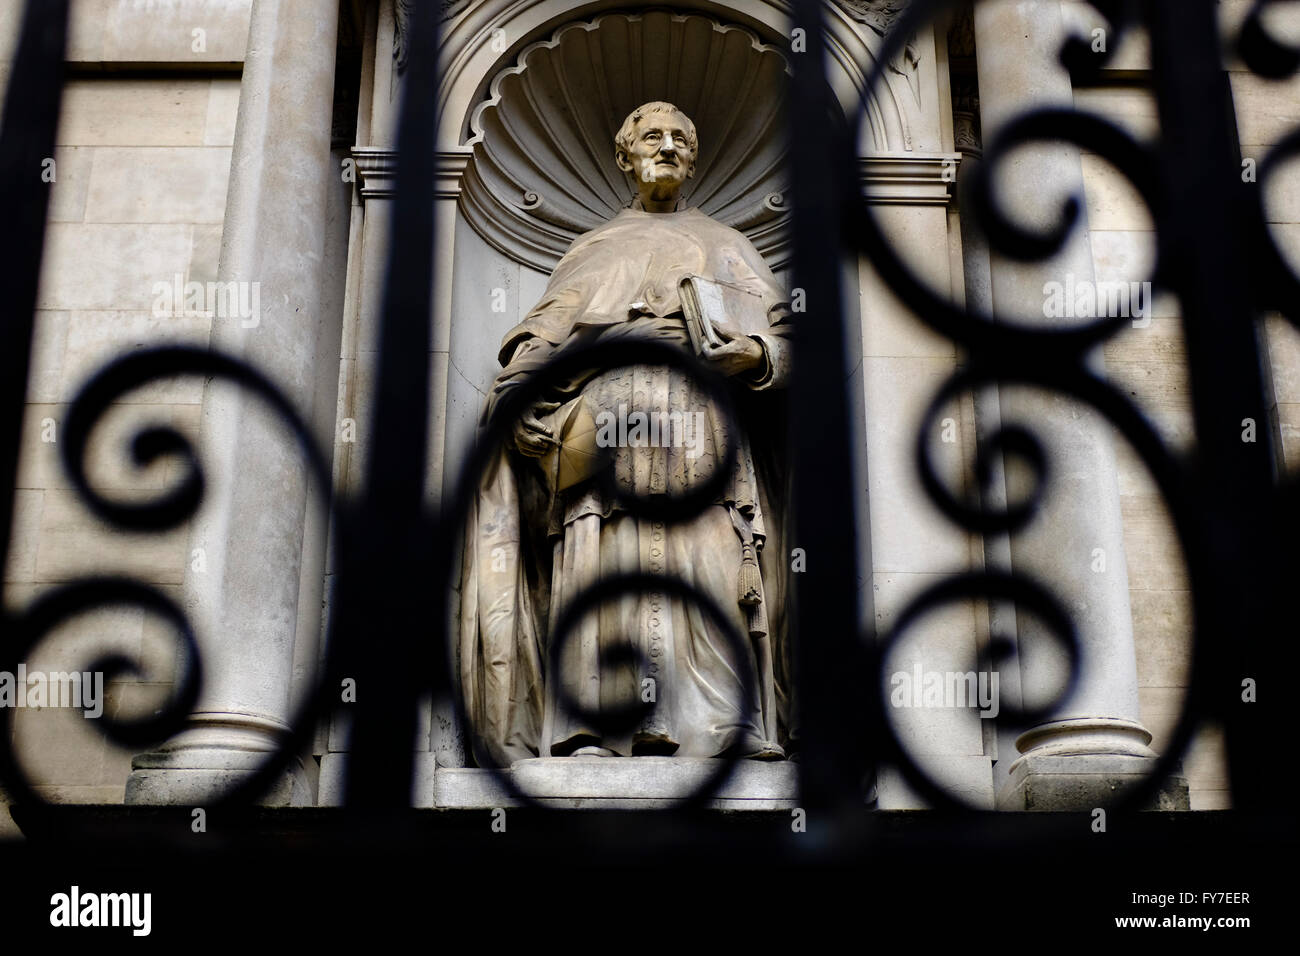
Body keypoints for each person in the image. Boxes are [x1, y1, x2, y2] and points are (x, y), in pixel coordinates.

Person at [459, 101, 794, 766]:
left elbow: (787, 340)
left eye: (679, 138)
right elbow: (540, 338)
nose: (666, 146)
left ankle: (723, 726)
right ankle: (597, 730)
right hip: (605, 426)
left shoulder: (729, 246)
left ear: (693, 159)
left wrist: (753, 356)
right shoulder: (597, 249)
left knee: (711, 560)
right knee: (605, 563)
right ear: (625, 155)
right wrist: (519, 394)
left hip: (703, 422)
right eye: (651, 136)